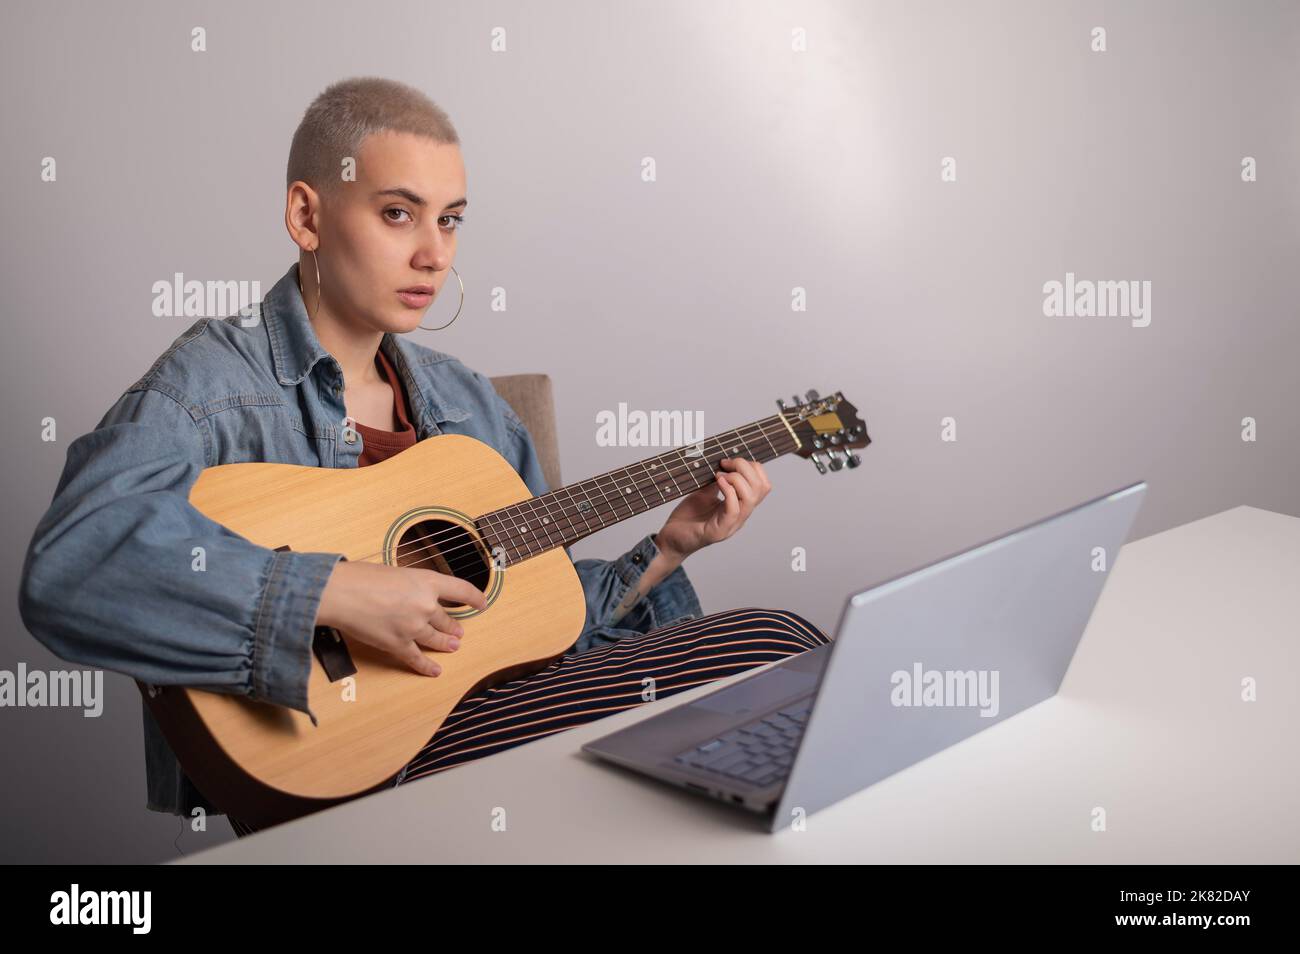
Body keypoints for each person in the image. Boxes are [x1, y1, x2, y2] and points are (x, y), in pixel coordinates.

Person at [18, 77, 829, 839]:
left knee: (775, 670)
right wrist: (336, 591)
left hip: (483, 732)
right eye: (399, 214)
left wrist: (670, 548)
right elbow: (71, 570)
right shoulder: (211, 385)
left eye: (451, 220)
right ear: (307, 216)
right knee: (776, 644)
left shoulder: (473, 408)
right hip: (343, 772)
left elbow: (532, 635)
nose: (435, 255)